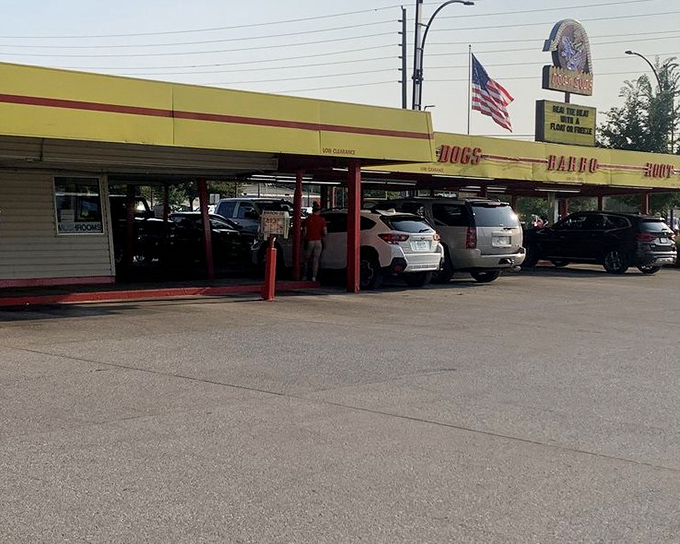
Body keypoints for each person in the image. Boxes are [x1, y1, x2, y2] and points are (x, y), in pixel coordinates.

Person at [303, 202, 327, 281]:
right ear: (319, 211)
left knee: (306, 259)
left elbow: (305, 232)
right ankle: (314, 277)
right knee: (316, 259)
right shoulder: (322, 220)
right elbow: (325, 232)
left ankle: (305, 276)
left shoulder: (308, 219)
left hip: (310, 240)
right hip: (318, 241)